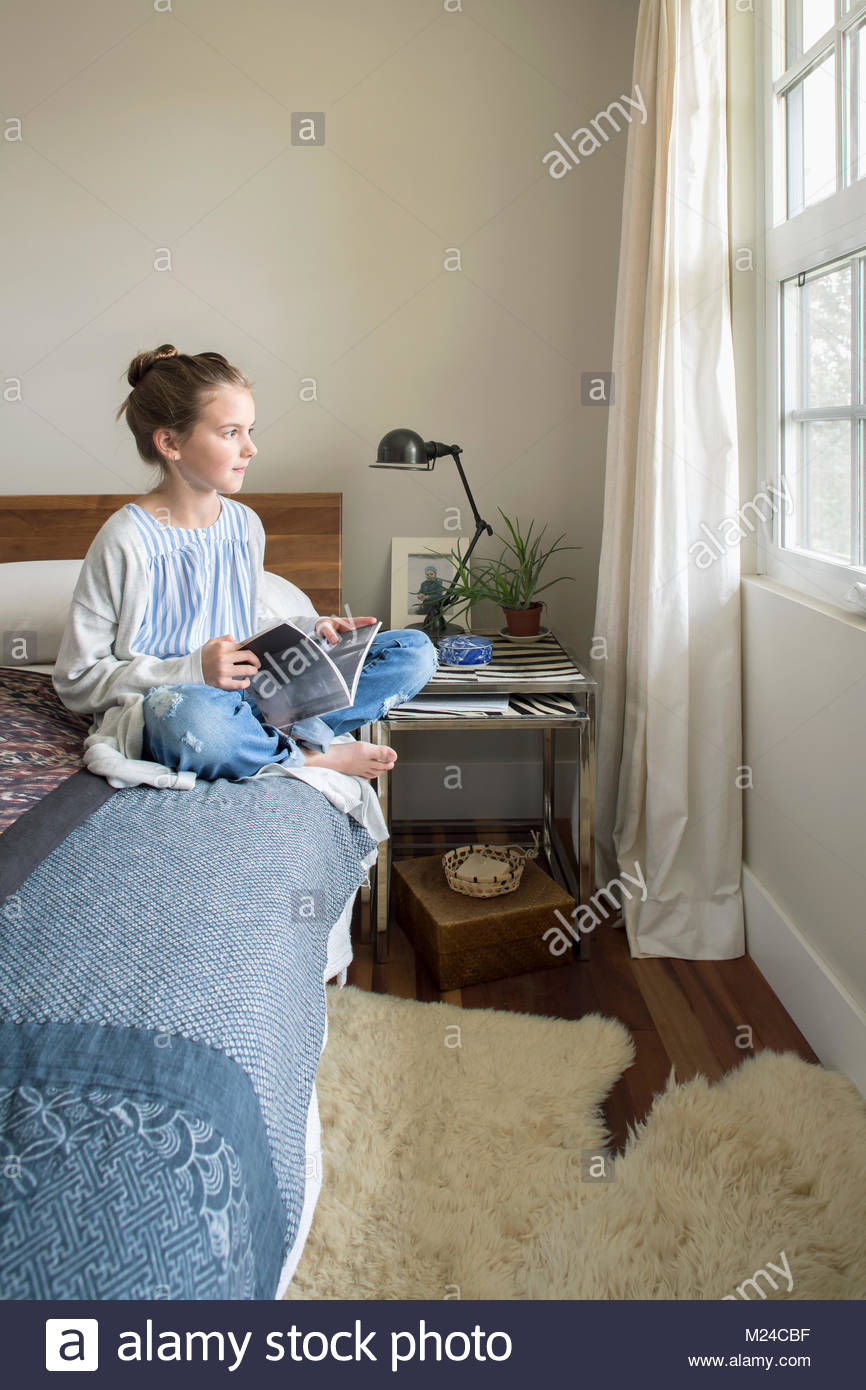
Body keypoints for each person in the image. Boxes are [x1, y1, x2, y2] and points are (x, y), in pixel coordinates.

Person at [53, 345, 438, 783]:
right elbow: (76, 681)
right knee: (193, 720)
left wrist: (311, 631)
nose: (251, 448)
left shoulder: (245, 525)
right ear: (170, 442)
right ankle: (307, 757)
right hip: (175, 706)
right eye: (230, 432)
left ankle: (261, 739)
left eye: (250, 431)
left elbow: (247, 622)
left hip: (256, 693)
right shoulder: (125, 539)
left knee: (414, 652)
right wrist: (192, 669)